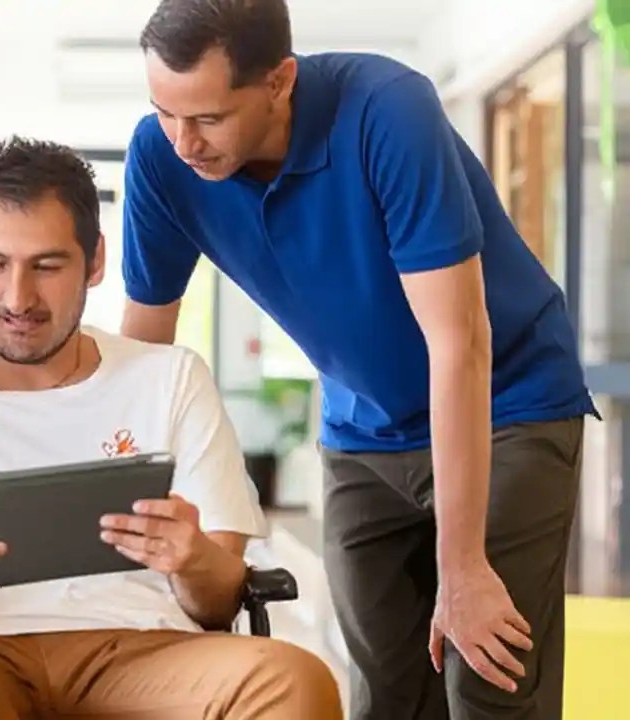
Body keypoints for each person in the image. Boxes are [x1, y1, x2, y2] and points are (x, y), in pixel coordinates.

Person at [119, 2, 596, 718]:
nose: (184, 142)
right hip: (362, 431)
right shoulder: (161, 157)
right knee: (387, 693)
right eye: (165, 112)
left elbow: (459, 341)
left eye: (209, 119)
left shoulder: (386, 111)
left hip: (506, 406)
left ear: (280, 81)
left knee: (486, 673)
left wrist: (461, 567)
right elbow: (144, 351)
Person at [0, 136, 343, 719]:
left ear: (94, 262)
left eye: (46, 265)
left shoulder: (169, 378)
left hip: (143, 648)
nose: (17, 297)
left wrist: (190, 559)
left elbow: (219, 602)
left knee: (296, 680)